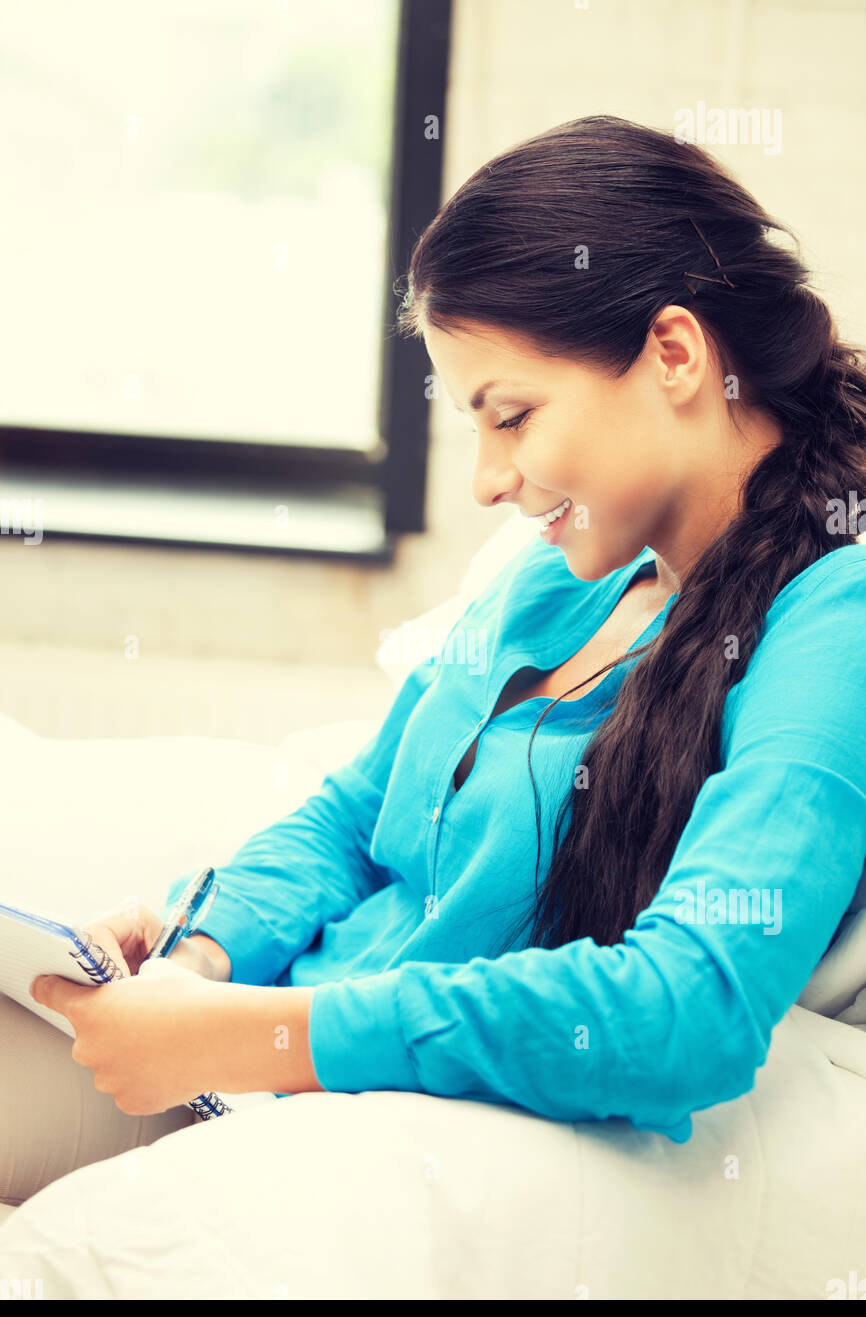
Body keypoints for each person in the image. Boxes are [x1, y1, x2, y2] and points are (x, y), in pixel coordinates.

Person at [4, 113, 866, 1210]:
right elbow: (358, 812)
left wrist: (258, 1037)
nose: (485, 482)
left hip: (321, 1104)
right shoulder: (563, 574)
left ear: (674, 355)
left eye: (509, 416)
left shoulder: (828, 621)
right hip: (252, 1059)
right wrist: (202, 956)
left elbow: (684, 1008)